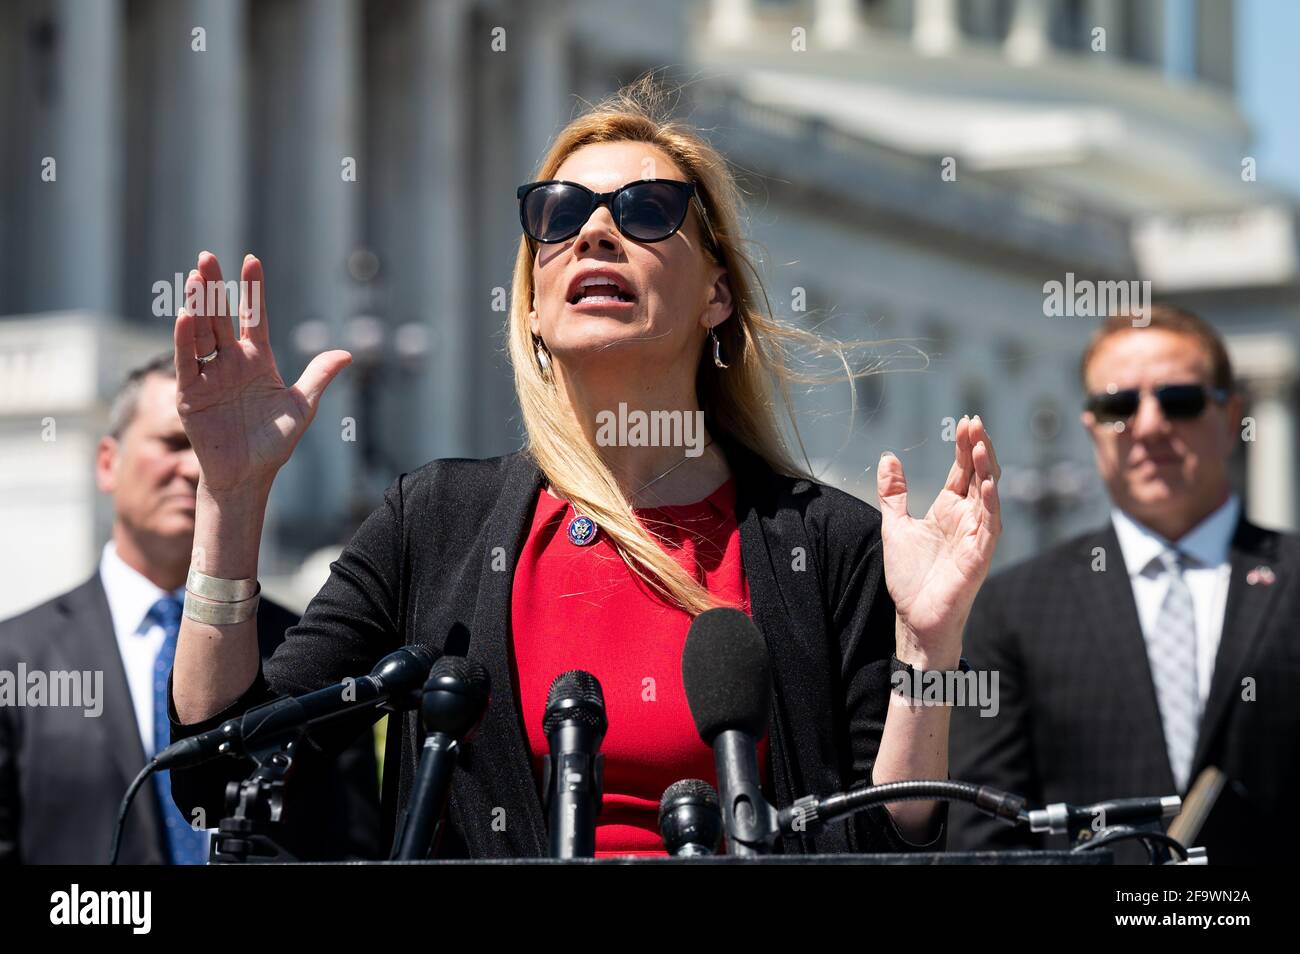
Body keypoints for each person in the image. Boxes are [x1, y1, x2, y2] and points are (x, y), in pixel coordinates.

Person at [167, 79, 1002, 858]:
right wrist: (231, 500)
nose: (595, 231)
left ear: (717, 294)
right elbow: (222, 782)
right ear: (532, 299)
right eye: (559, 214)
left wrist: (928, 653)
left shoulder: (827, 544)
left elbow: (894, 841)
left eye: (648, 211)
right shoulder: (436, 521)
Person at [949, 305, 1300, 865]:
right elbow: (988, 840)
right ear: (1092, 425)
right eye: (1119, 404)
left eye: (1180, 400)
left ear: (1232, 416)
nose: (1150, 425)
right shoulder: (1014, 608)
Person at [0, 354, 382, 864]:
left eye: (210, 445)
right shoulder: (17, 657)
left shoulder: (312, 649)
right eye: (175, 443)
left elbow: (355, 845)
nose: (197, 466)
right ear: (108, 462)